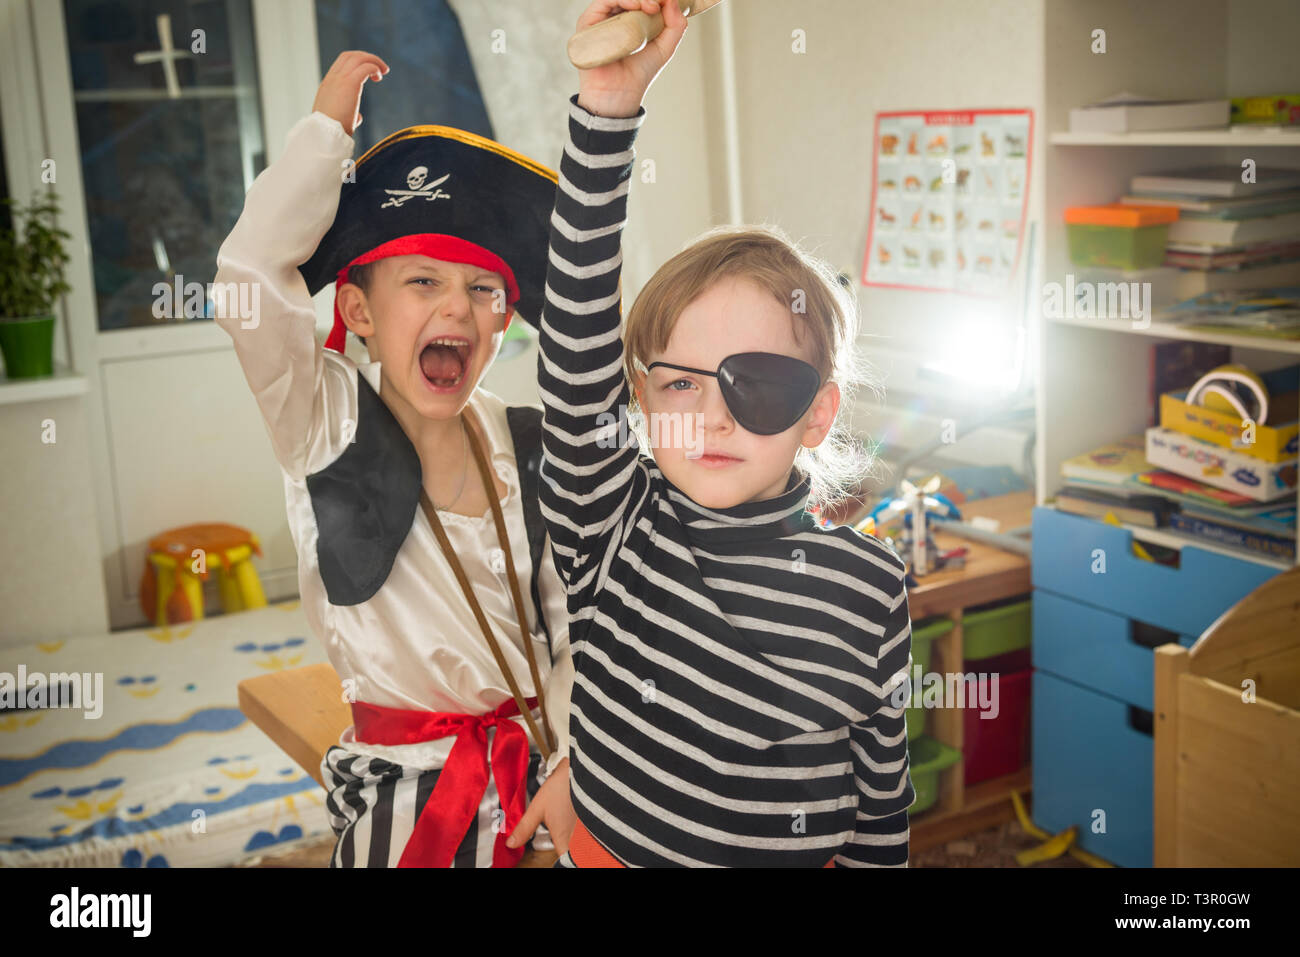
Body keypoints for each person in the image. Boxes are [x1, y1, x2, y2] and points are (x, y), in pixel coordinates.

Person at [536, 0, 916, 867]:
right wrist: (607, 112)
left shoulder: (866, 585)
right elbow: (571, 348)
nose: (707, 416)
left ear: (818, 412)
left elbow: (879, 794)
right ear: (638, 399)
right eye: (677, 382)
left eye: (756, 383)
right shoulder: (612, 525)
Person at [214, 51, 576, 867]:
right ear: (357, 311)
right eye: (422, 282)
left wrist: (573, 758)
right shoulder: (327, 419)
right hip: (405, 792)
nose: (458, 306)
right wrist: (325, 136)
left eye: (485, 291)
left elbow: (571, 628)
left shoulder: (530, 442)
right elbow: (246, 279)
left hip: (546, 784)